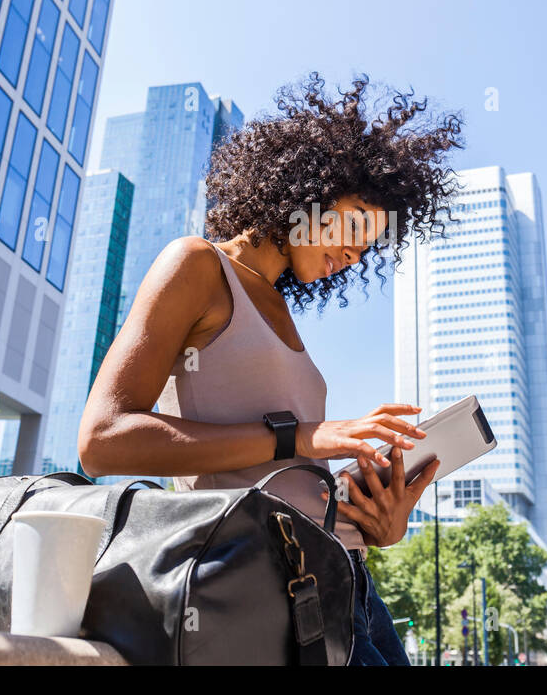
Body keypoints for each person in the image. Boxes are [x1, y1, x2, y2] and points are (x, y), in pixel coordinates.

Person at [78, 72, 464, 665]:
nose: (357, 253)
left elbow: (281, 473)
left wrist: (378, 519)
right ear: (309, 190)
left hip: (350, 584)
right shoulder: (198, 266)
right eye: (356, 225)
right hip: (272, 591)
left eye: (371, 245)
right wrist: (307, 435)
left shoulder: (281, 311)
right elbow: (102, 441)